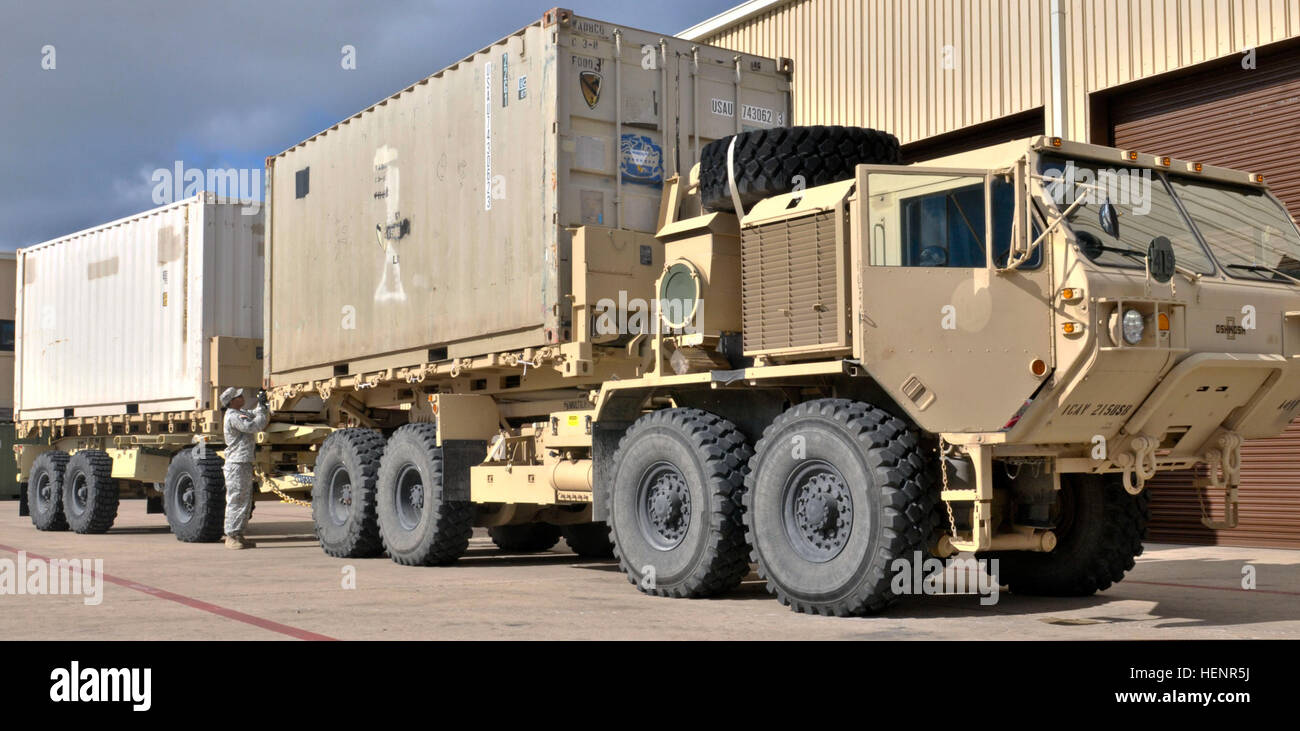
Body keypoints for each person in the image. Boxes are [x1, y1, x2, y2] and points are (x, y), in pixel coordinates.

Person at [220, 386, 269, 549]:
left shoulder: (239, 413)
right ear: (232, 401)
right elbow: (255, 426)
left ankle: (238, 534)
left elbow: (254, 414)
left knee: (244, 500)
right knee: (237, 500)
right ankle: (231, 536)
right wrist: (262, 410)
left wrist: (262, 404)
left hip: (243, 462)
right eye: (238, 396)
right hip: (237, 464)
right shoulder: (233, 417)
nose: (242, 397)